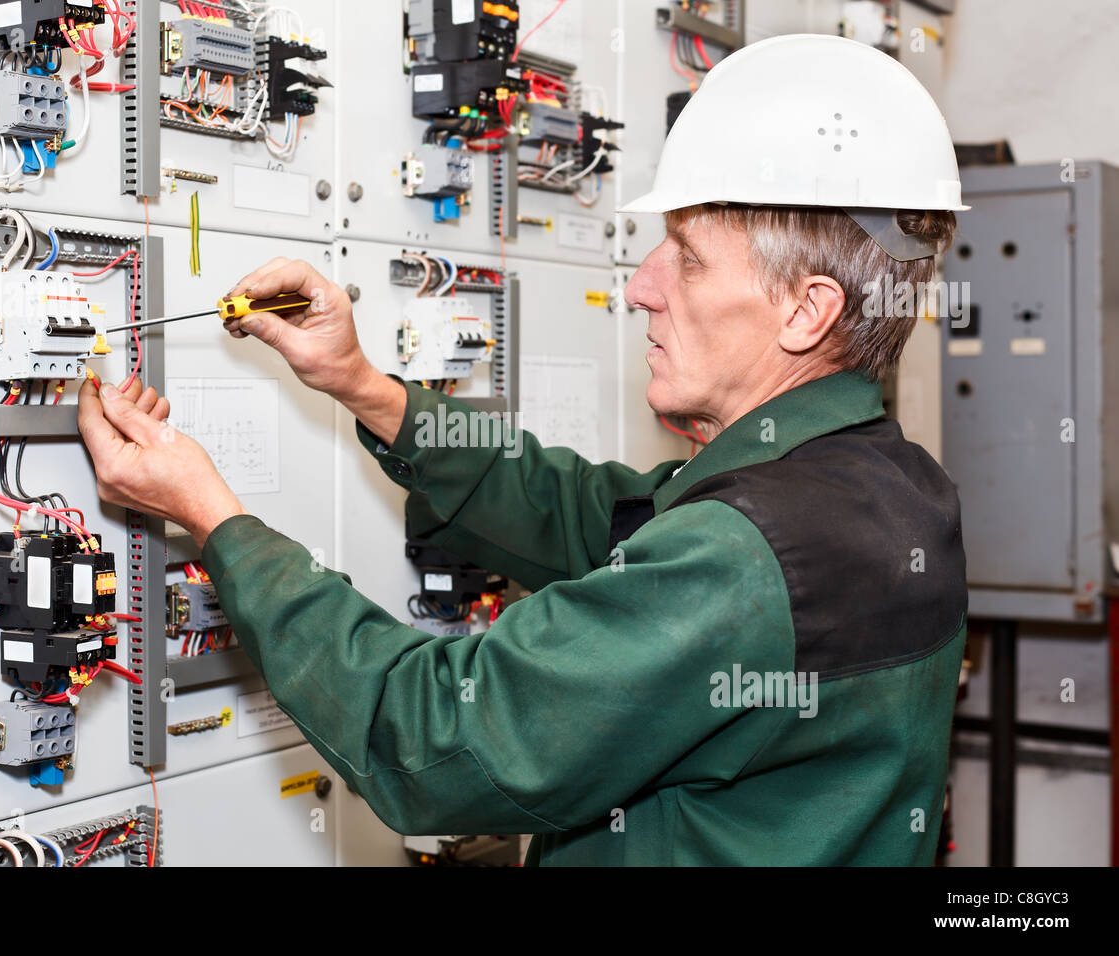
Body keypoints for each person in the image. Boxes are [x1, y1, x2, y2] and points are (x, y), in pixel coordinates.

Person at [78, 33, 968, 865]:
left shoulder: (745, 552)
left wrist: (215, 518)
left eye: (687, 257)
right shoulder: (885, 487)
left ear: (806, 310)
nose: (642, 287)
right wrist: (365, 386)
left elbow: (429, 737)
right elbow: (593, 517)